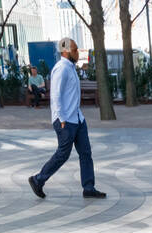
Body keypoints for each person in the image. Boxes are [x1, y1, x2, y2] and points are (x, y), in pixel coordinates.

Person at [29, 38, 106, 200]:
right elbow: (55, 95)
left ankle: (89, 187)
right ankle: (38, 179)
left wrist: (78, 117)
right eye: (75, 50)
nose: (78, 53)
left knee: (86, 153)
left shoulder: (70, 68)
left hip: (77, 119)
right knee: (63, 154)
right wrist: (62, 119)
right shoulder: (61, 69)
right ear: (66, 51)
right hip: (65, 120)